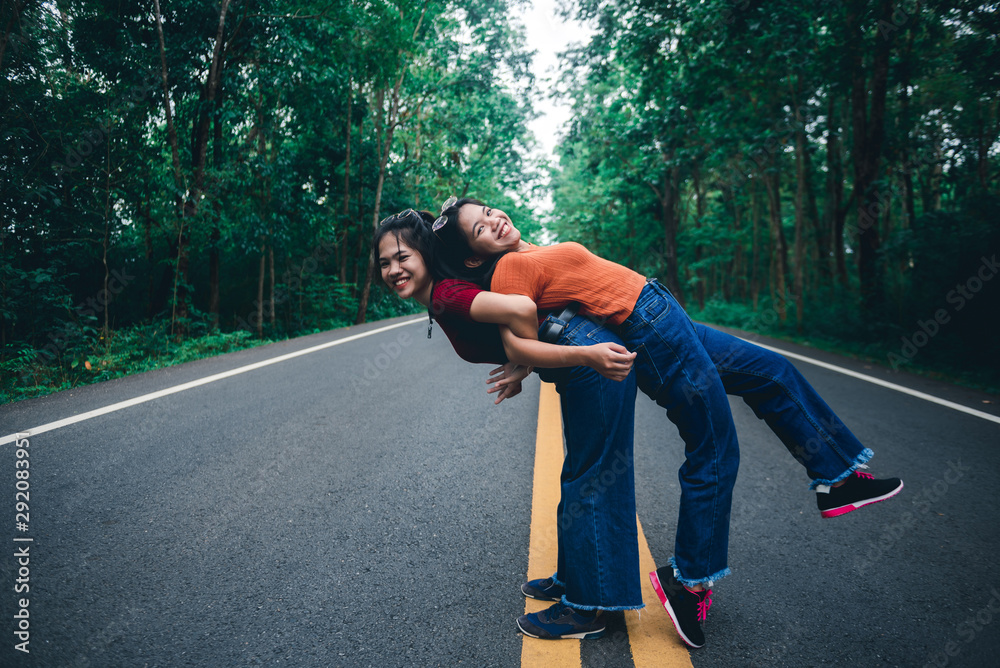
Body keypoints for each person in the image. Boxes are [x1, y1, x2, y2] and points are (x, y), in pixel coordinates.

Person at [430, 197, 905, 648]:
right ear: (473, 259)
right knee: (714, 447)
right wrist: (522, 361)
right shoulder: (509, 269)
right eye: (479, 228)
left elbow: (551, 311)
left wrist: (526, 364)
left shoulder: (527, 250)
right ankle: (690, 581)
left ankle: (835, 475)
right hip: (651, 327)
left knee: (771, 371)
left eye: (489, 211)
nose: (493, 220)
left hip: (666, 317)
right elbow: (521, 330)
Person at [374, 209, 646, 640]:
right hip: (580, 355)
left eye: (402, 257)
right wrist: (521, 360)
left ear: (425, 253)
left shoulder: (446, 294)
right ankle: (577, 579)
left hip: (590, 358)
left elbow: (520, 307)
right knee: (579, 473)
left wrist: (520, 362)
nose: (393, 270)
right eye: (385, 262)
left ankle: (588, 608)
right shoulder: (442, 296)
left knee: (592, 479)